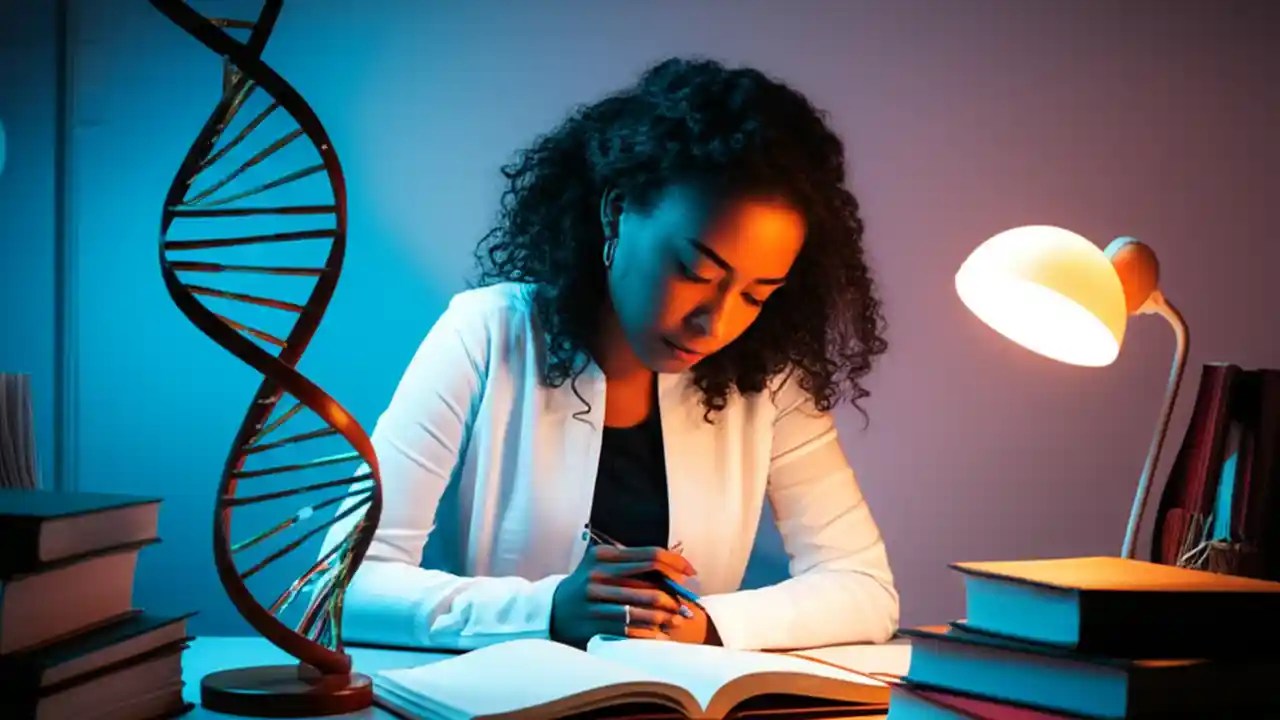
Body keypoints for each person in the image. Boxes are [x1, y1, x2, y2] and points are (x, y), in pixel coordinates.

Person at [321, 56, 898, 653]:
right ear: (615, 210)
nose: (715, 322)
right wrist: (545, 609)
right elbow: (343, 586)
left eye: (757, 294)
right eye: (693, 271)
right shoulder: (487, 334)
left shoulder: (768, 377)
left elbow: (863, 586)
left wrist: (699, 626)